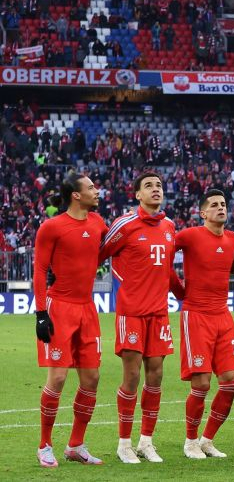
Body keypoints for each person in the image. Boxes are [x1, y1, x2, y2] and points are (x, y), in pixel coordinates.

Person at [100, 172, 178, 464]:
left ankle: (146, 441)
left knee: (156, 376)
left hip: (159, 313)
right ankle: (124, 444)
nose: (156, 189)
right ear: (137, 195)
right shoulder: (124, 225)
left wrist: (183, 292)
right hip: (131, 312)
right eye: (149, 186)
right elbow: (98, 253)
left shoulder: (170, 226)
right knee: (132, 376)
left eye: (159, 185)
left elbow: (168, 269)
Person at [33, 173, 109, 468]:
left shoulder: (98, 223)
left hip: (88, 308)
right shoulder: (52, 227)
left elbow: (103, 251)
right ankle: (44, 445)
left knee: (91, 378)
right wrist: (41, 313)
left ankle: (75, 445)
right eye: (91, 187)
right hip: (59, 308)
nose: (96, 190)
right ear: (76, 195)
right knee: (59, 377)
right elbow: (40, 270)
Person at [171, 189, 234, 459]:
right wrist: (177, 288)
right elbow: (160, 250)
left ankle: (207, 440)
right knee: (202, 383)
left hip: (223, 317)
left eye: (224, 204)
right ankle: (190, 442)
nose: (221, 208)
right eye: (215, 205)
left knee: (230, 381)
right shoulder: (190, 235)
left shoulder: (232, 239)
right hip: (196, 316)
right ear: (203, 213)